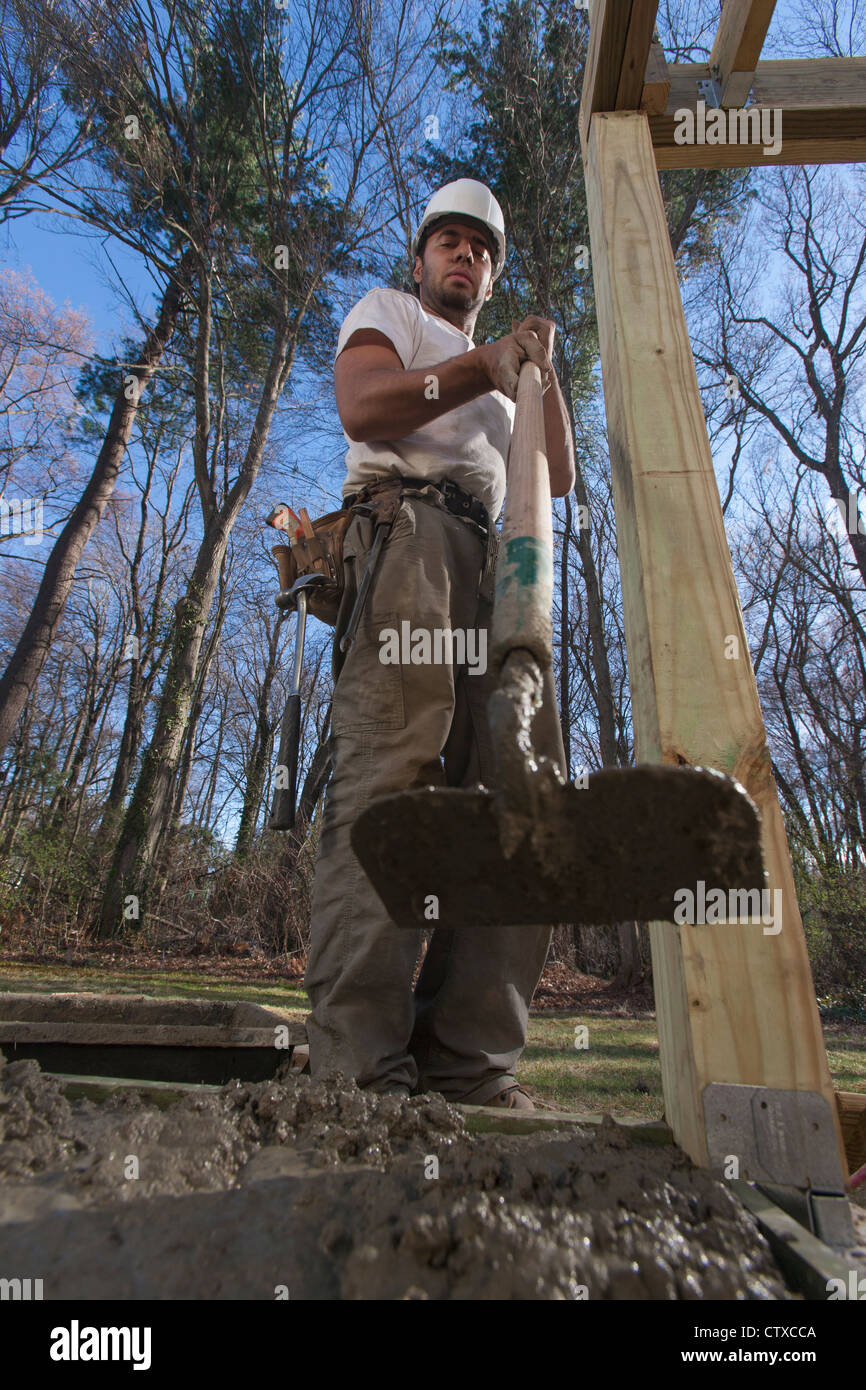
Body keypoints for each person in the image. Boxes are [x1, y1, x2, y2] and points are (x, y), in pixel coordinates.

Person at [304, 178, 575, 1109]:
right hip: (406, 537)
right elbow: (367, 410)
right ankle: (359, 1068)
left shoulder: (507, 379)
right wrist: (481, 366)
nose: (465, 256)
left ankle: (468, 1062)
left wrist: (539, 372)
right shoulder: (389, 316)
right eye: (449, 242)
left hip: (496, 570)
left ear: (491, 275)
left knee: (514, 789)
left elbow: (560, 474)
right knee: (397, 772)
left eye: (480, 249)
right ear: (421, 260)